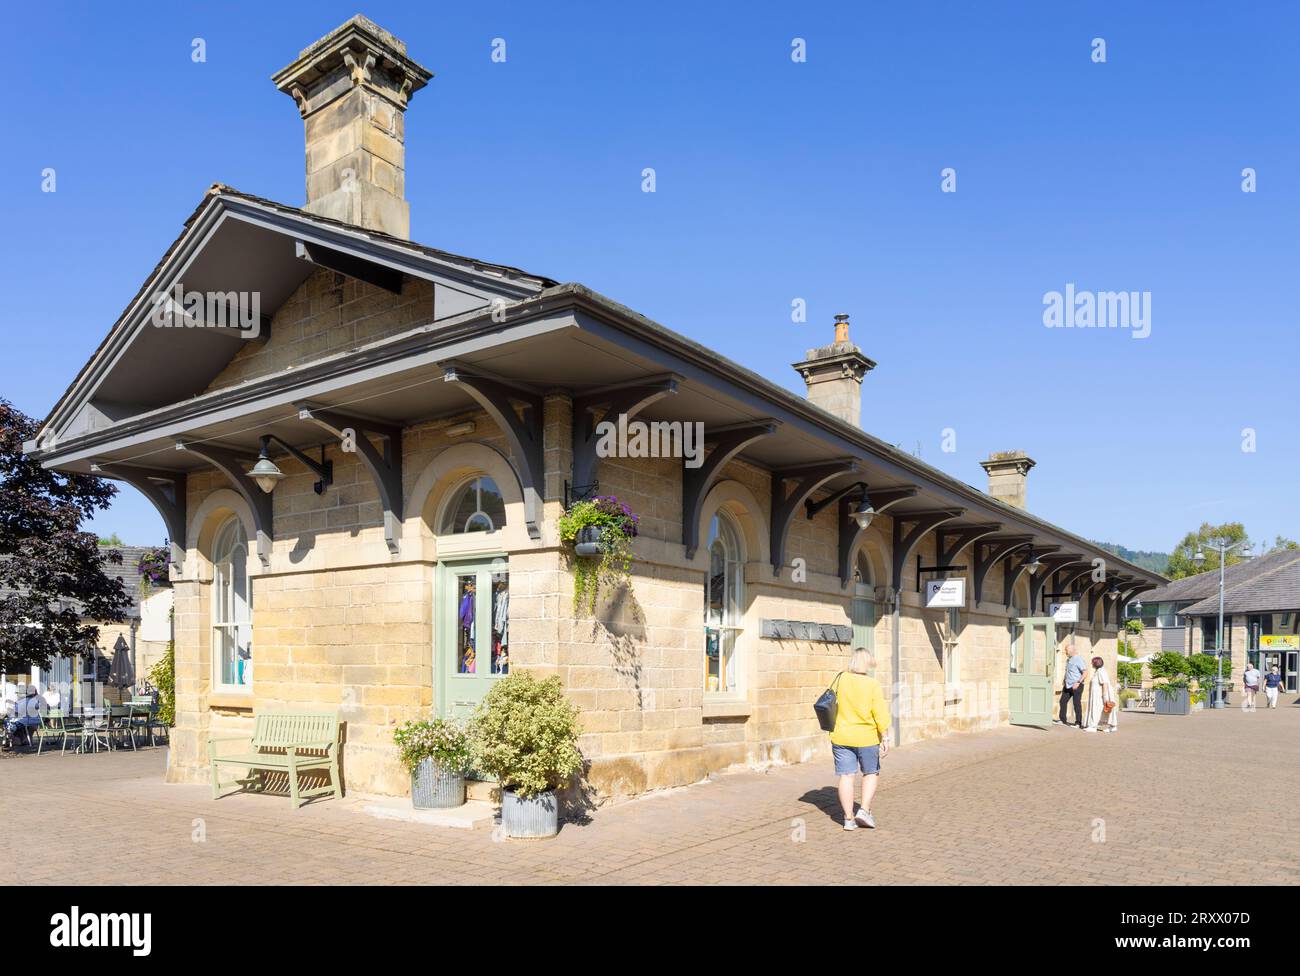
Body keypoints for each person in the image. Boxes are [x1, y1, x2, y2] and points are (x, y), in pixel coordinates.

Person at [829, 647, 891, 831]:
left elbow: (830, 704)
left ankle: (848, 819)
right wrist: (885, 737)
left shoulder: (840, 680)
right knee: (870, 772)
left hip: (841, 735)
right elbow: (880, 713)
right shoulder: (872, 685)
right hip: (867, 737)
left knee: (846, 776)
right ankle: (863, 810)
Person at [1055, 642, 1088, 728]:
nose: (1065, 652)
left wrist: (1078, 682)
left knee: (1076, 703)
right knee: (1062, 701)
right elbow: (1068, 672)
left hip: (1077, 685)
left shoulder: (1078, 659)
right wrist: (1064, 680)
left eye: (1066, 650)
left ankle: (1078, 723)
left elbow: (1085, 672)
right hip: (1067, 685)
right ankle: (1062, 720)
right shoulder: (1068, 659)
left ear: (1071, 650)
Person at [1083, 656, 1117, 733]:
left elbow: (1104, 684)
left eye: (1092, 662)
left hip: (1099, 695)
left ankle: (1093, 726)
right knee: (1103, 710)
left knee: (1098, 710)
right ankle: (1112, 726)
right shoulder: (1098, 671)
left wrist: (1104, 696)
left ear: (1096, 663)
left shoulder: (1101, 671)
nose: (1091, 663)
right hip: (1097, 695)